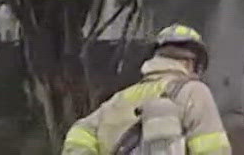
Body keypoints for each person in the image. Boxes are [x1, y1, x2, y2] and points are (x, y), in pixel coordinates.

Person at [61, 24, 231, 155]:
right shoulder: (195, 92)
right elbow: (213, 150)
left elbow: (79, 132)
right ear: (190, 63)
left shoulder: (121, 98)